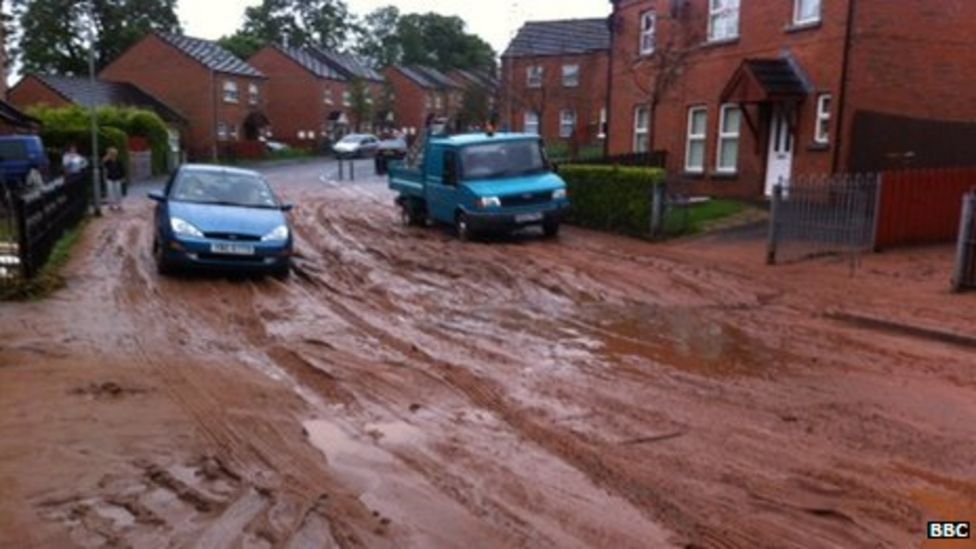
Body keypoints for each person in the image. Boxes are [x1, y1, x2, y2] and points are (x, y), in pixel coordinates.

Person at [102, 148, 125, 212]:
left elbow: (122, 169)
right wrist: (108, 155)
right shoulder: (108, 162)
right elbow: (102, 162)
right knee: (110, 192)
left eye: (114, 154)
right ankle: (111, 205)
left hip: (117, 178)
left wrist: (123, 177)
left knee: (118, 192)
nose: (113, 155)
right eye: (112, 154)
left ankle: (119, 205)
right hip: (110, 178)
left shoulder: (119, 161)